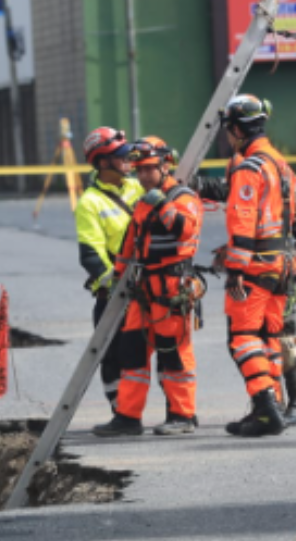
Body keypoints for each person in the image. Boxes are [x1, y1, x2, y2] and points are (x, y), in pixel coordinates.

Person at [195, 106, 296, 429]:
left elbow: (245, 219)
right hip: (277, 268)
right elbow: (246, 203)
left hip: (259, 269)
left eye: (228, 131)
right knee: (268, 338)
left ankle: (273, 408)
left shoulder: (250, 168)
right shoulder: (279, 165)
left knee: (245, 337)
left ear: (237, 131)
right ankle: (272, 405)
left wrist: (236, 265)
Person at [91, 136, 204, 438]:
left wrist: (163, 205)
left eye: (148, 169)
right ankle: (127, 417)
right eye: (138, 170)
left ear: (165, 165)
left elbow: (186, 230)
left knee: (173, 354)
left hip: (172, 288)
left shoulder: (183, 197)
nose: (142, 176)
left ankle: (182, 415)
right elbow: (130, 246)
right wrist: (117, 278)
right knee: (132, 353)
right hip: (143, 290)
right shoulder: (143, 203)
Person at [75, 126, 144, 409]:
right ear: (103, 162)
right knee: (114, 355)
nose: (129, 158)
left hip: (149, 288)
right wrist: (115, 285)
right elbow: (90, 255)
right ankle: (121, 410)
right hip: (114, 294)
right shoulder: (89, 203)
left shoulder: (137, 186)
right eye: (121, 154)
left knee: (151, 352)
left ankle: (176, 413)